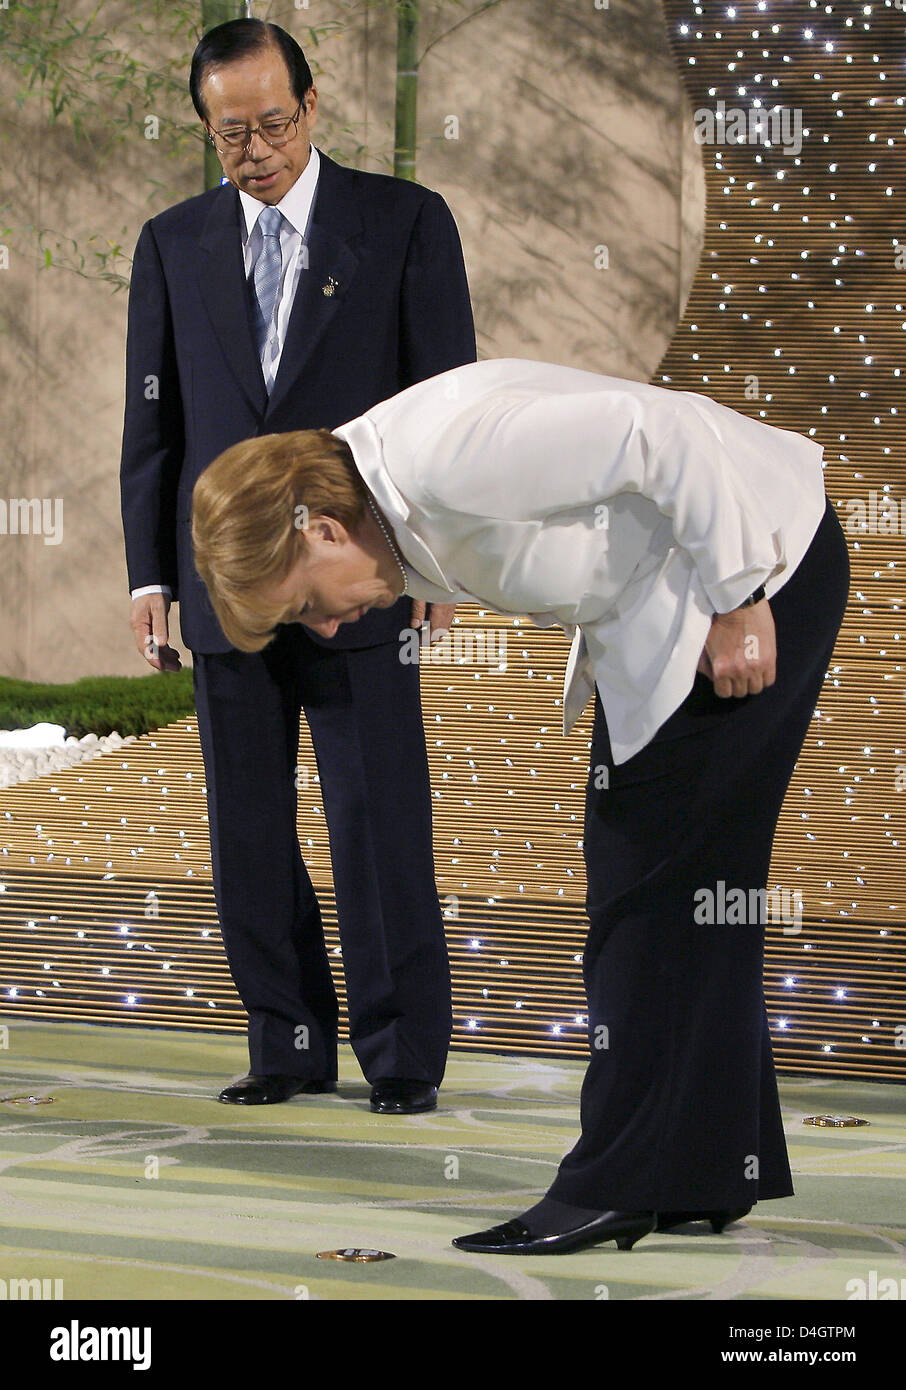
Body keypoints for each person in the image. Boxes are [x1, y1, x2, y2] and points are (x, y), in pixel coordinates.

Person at [188, 355, 850, 1255]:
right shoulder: (388, 491)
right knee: (689, 890)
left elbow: (669, 433)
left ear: (328, 530)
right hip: (706, 593)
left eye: (307, 603)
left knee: (647, 895)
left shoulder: (444, 460)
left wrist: (740, 600)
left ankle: (618, 1183)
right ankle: (708, 1167)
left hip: (752, 576)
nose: (330, 628)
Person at [119, 18, 476, 1115]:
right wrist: (150, 574)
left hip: (359, 574)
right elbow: (153, 424)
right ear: (206, 130)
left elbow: (446, 407)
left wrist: (434, 558)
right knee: (247, 824)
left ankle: (403, 1055)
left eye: (275, 123)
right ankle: (285, 1043)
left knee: (378, 818)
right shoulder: (171, 244)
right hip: (228, 585)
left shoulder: (404, 222)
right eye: (233, 133)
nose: (258, 148)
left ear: (312, 109)